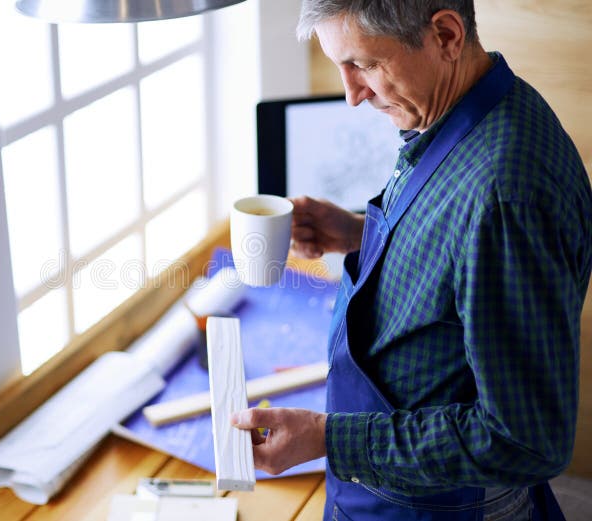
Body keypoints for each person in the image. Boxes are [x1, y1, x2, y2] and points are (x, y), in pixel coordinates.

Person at [230, 1, 592, 519]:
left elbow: (525, 439)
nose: (352, 94)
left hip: (444, 504)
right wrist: (358, 234)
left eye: (365, 65)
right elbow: (460, 260)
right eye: (340, 66)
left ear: (445, 35)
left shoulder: (506, 192)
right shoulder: (463, 113)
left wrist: (329, 438)